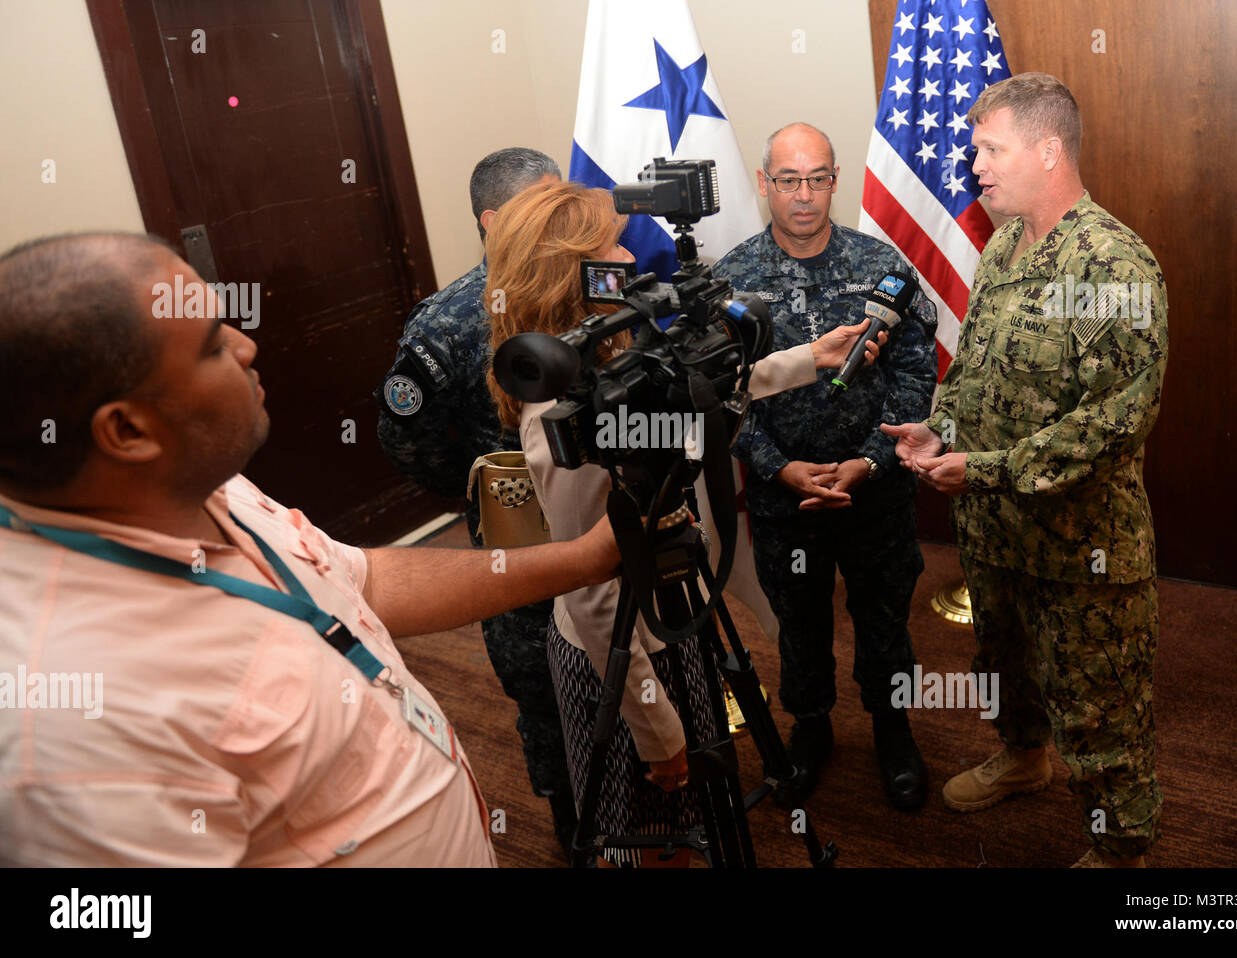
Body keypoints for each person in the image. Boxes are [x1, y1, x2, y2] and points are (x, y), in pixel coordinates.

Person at [0, 232, 622, 866]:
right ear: (128, 430)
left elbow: (362, 581)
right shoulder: (69, 736)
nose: (247, 347)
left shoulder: (204, 485)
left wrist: (586, 558)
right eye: (214, 344)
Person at [484, 181, 885, 866]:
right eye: (609, 245)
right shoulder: (563, 415)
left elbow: (689, 391)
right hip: (624, 658)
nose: (626, 255)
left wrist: (808, 358)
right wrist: (657, 727)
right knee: (649, 838)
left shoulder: (608, 359)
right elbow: (591, 586)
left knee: (700, 800)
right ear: (571, 271)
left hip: (678, 620)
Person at [883, 73, 1169, 867]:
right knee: (1004, 665)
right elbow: (980, 372)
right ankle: (1023, 755)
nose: (973, 164)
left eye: (988, 148)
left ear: (1048, 152)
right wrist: (940, 432)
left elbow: (1113, 422)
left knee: (1099, 702)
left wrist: (987, 470)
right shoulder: (1007, 245)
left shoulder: (1112, 266)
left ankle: (1120, 849)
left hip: (1082, 548)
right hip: (998, 532)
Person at [711, 123, 938, 810]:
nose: (803, 196)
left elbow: (915, 373)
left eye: (817, 179)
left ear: (835, 180)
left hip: (876, 496)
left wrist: (870, 461)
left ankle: (892, 728)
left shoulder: (882, 266)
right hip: (786, 501)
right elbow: (721, 397)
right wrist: (778, 468)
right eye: (788, 180)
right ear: (763, 184)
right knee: (798, 622)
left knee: (884, 617)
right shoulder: (731, 283)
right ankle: (810, 727)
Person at [374, 147, 579, 848]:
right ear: (493, 221)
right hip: (516, 549)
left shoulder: (585, 289)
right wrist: (481, 488)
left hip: (599, 520)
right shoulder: (447, 325)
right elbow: (407, 440)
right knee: (544, 688)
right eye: (536, 205)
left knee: (626, 662)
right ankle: (571, 824)